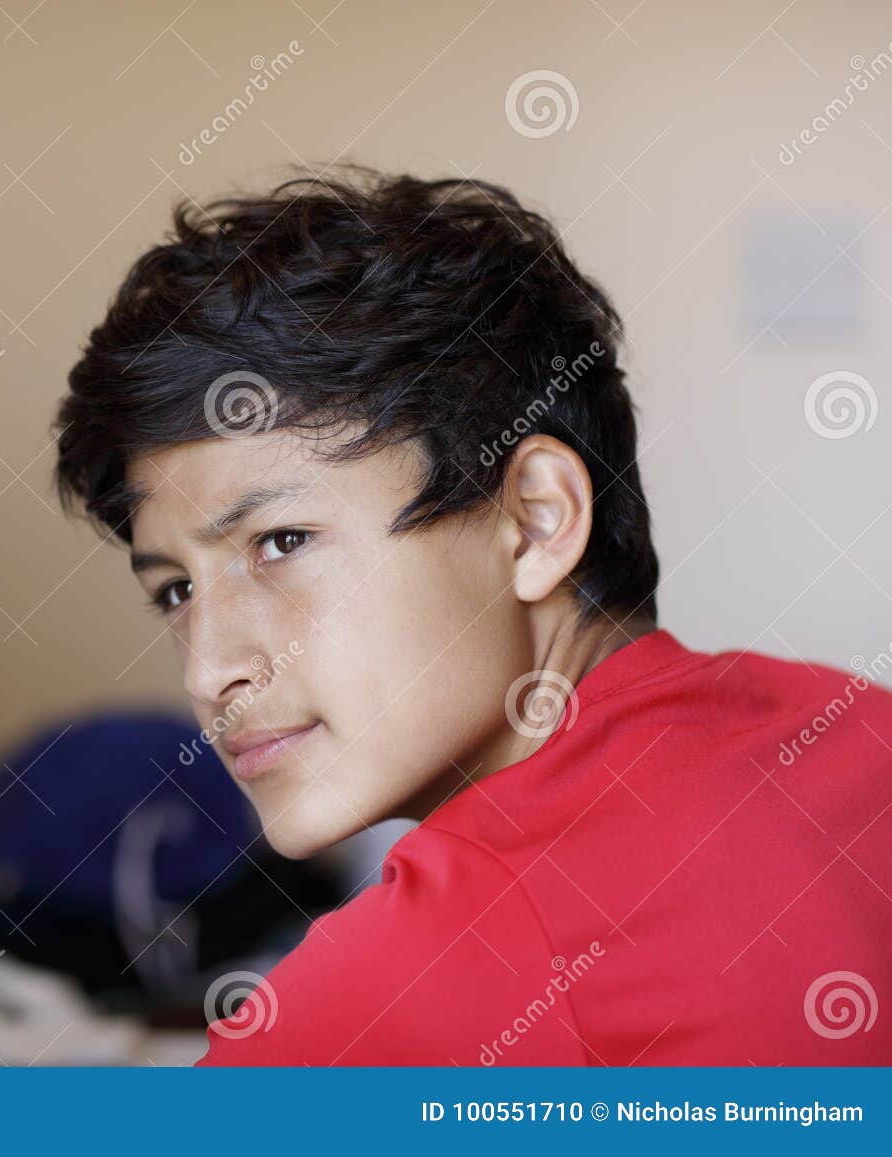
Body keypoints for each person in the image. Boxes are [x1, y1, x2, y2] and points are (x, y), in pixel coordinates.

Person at [51, 165, 892, 1065]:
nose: (208, 670)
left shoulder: (406, 982)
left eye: (282, 541)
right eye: (175, 591)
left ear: (534, 519)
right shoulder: (854, 725)